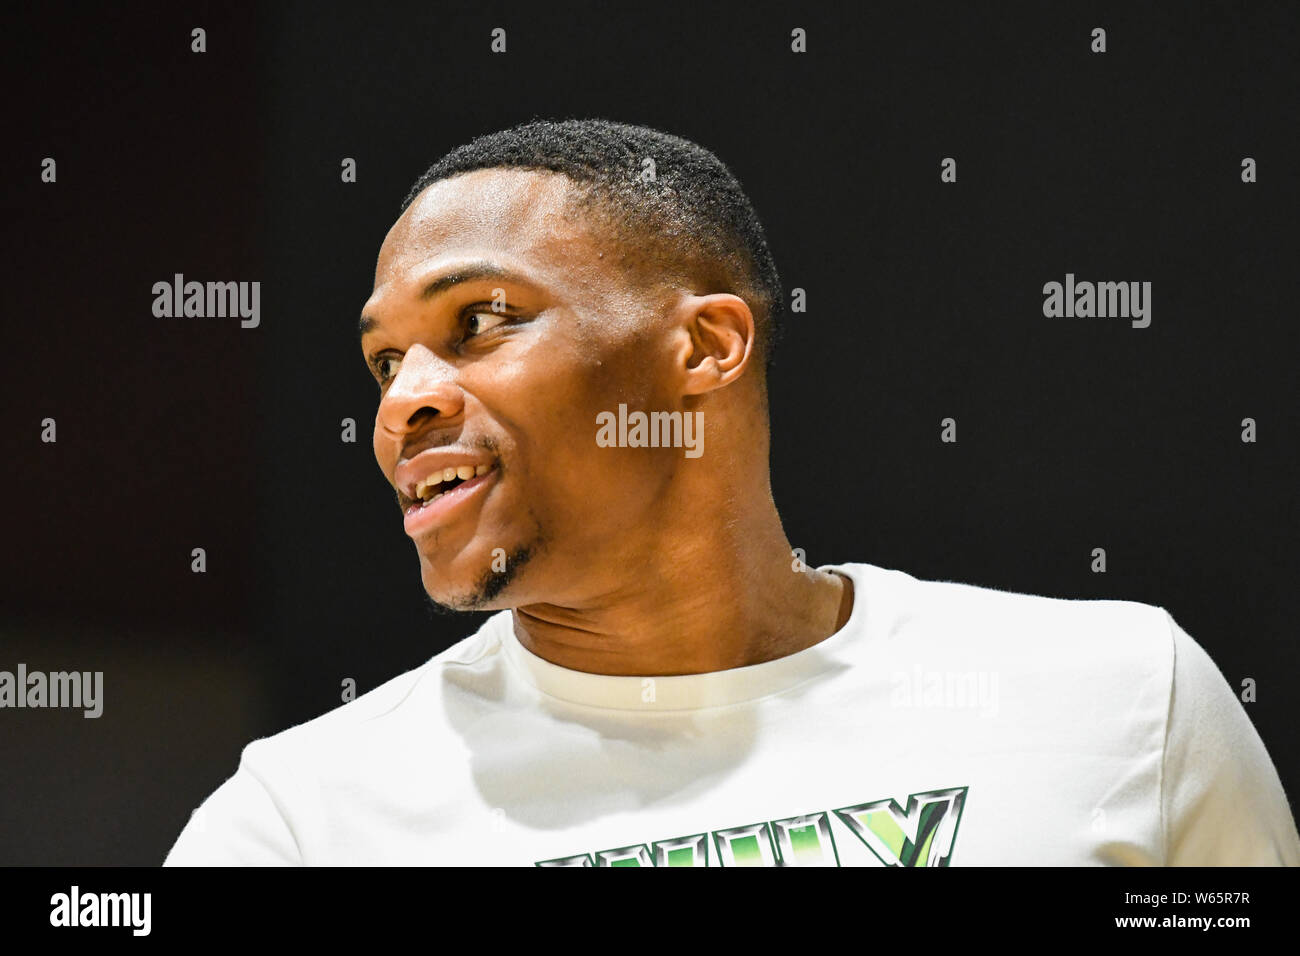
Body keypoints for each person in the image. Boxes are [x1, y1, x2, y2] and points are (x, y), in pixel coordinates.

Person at [165, 118, 1299, 866]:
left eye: (481, 321)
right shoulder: (302, 821)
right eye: (385, 361)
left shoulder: (1121, 698)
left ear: (704, 348)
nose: (404, 400)